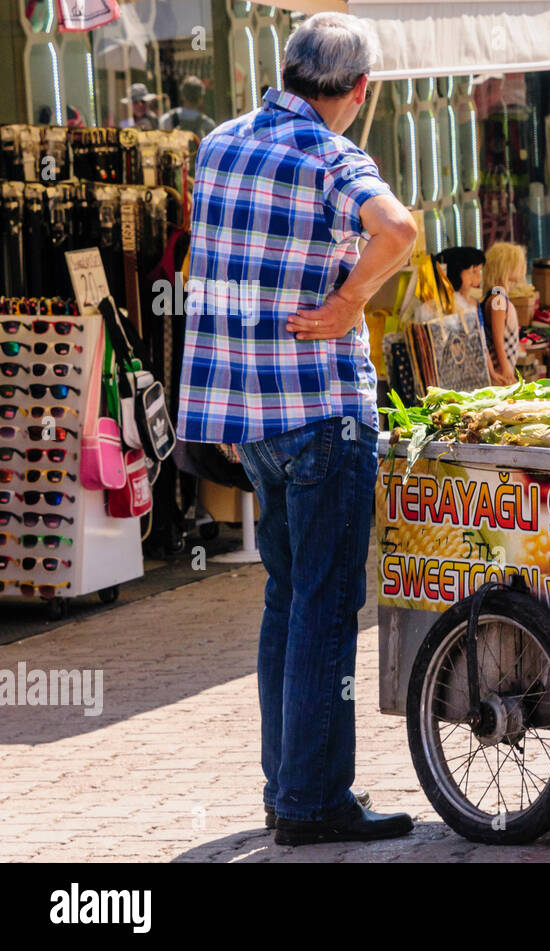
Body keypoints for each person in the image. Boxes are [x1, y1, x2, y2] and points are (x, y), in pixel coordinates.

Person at [177, 12, 419, 846]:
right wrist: (350, 302)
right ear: (360, 90)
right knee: (325, 606)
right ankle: (314, 802)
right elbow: (402, 230)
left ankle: (288, 788)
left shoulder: (219, 144)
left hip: (248, 419)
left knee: (288, 601)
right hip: (320, 412)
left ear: (286, 70)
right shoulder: (332, 153)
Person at [481, 241, 527, 386]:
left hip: (502, 367)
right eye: (518, 265)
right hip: (500, 371)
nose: (522, 269)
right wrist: (505, 366)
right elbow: (497, 339)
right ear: (507, 267)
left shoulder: (498, 296)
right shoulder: (498, 298)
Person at [433, 246, 485, 317]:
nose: (479, 277)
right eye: (473, 271)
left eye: (480, 271)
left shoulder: (475, 303)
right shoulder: (445, 306)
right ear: (456, 272)